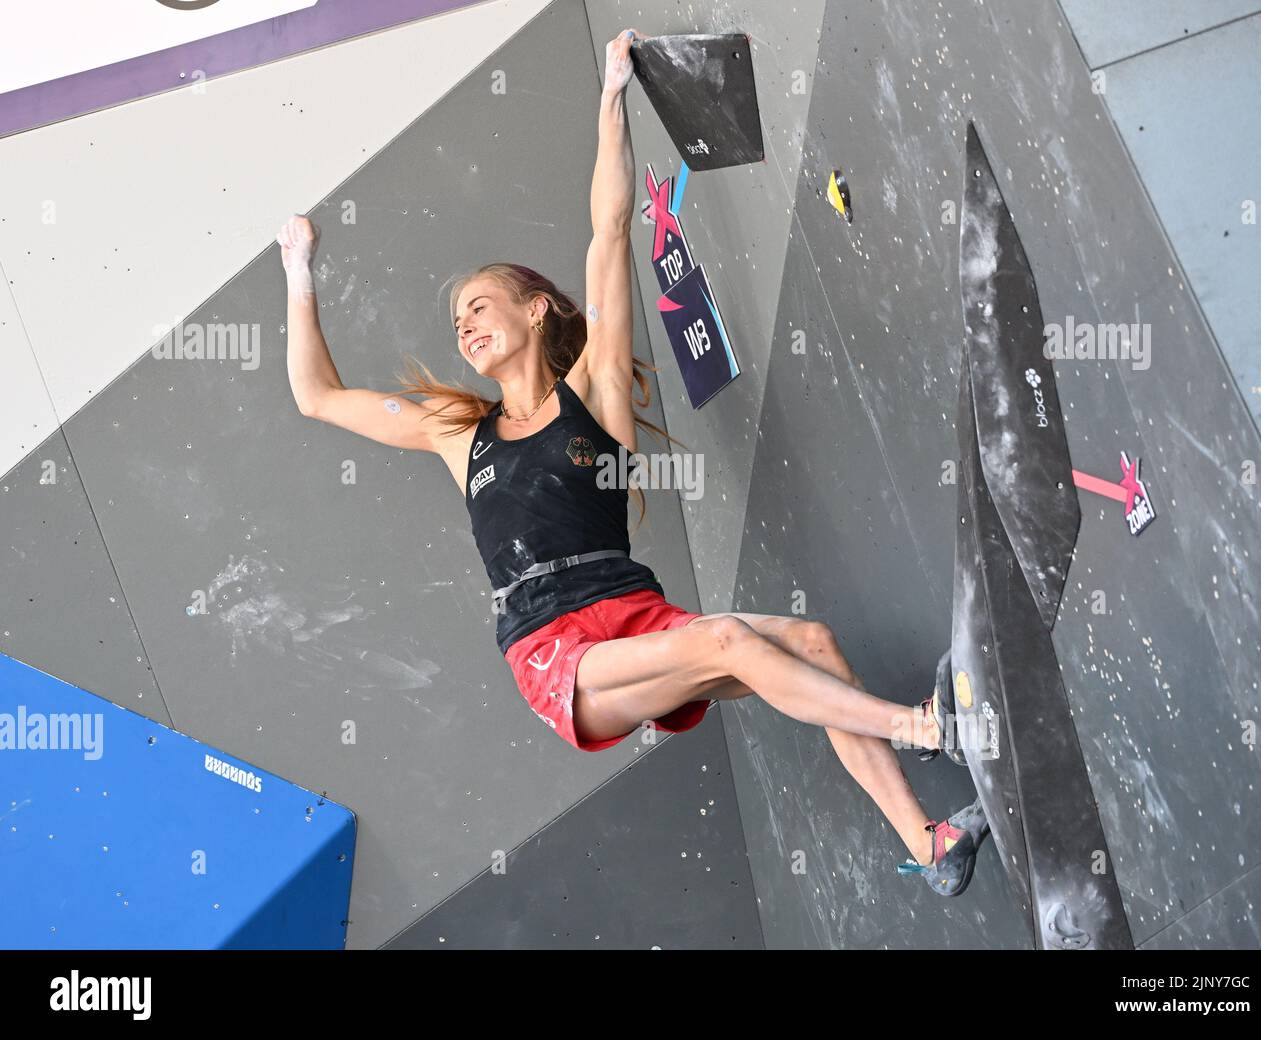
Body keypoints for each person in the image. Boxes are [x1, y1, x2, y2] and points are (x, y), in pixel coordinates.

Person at [277, 28, 987, 896]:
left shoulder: (597, 391)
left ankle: (929, 846)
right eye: (457, 324)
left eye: (478, 306)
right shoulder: (456, 435)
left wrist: (613, 95)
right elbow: (317, 396)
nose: (463, 328)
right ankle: (927, 727)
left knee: (809, 642)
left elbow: (608, 227)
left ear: (536, 311)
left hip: (631, 611)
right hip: (555, 654)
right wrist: (298, 271)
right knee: (725, 636)